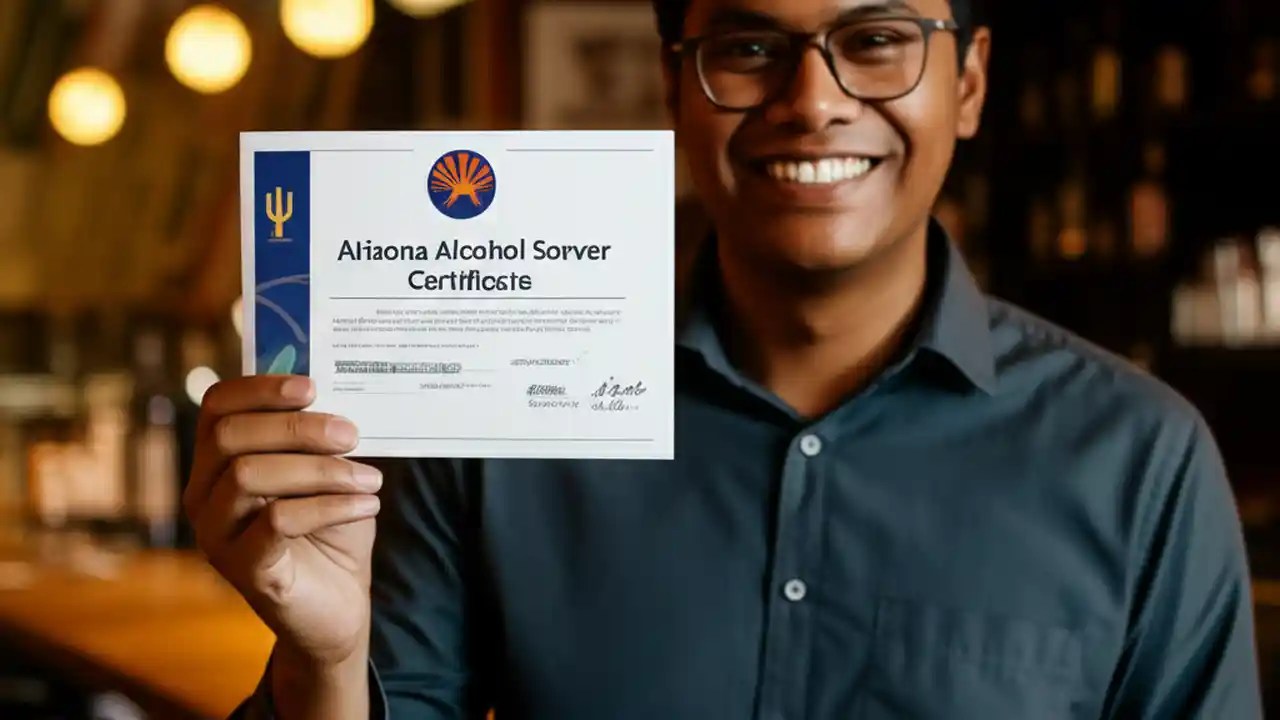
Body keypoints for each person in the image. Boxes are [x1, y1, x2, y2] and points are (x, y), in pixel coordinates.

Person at [192, 0, 1264, 717]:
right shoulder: (490, 416)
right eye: (747, 48)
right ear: (675, 89)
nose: (811, 100)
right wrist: (325, 656)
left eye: (878, 38)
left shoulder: (1137, 461)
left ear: (969, 82)